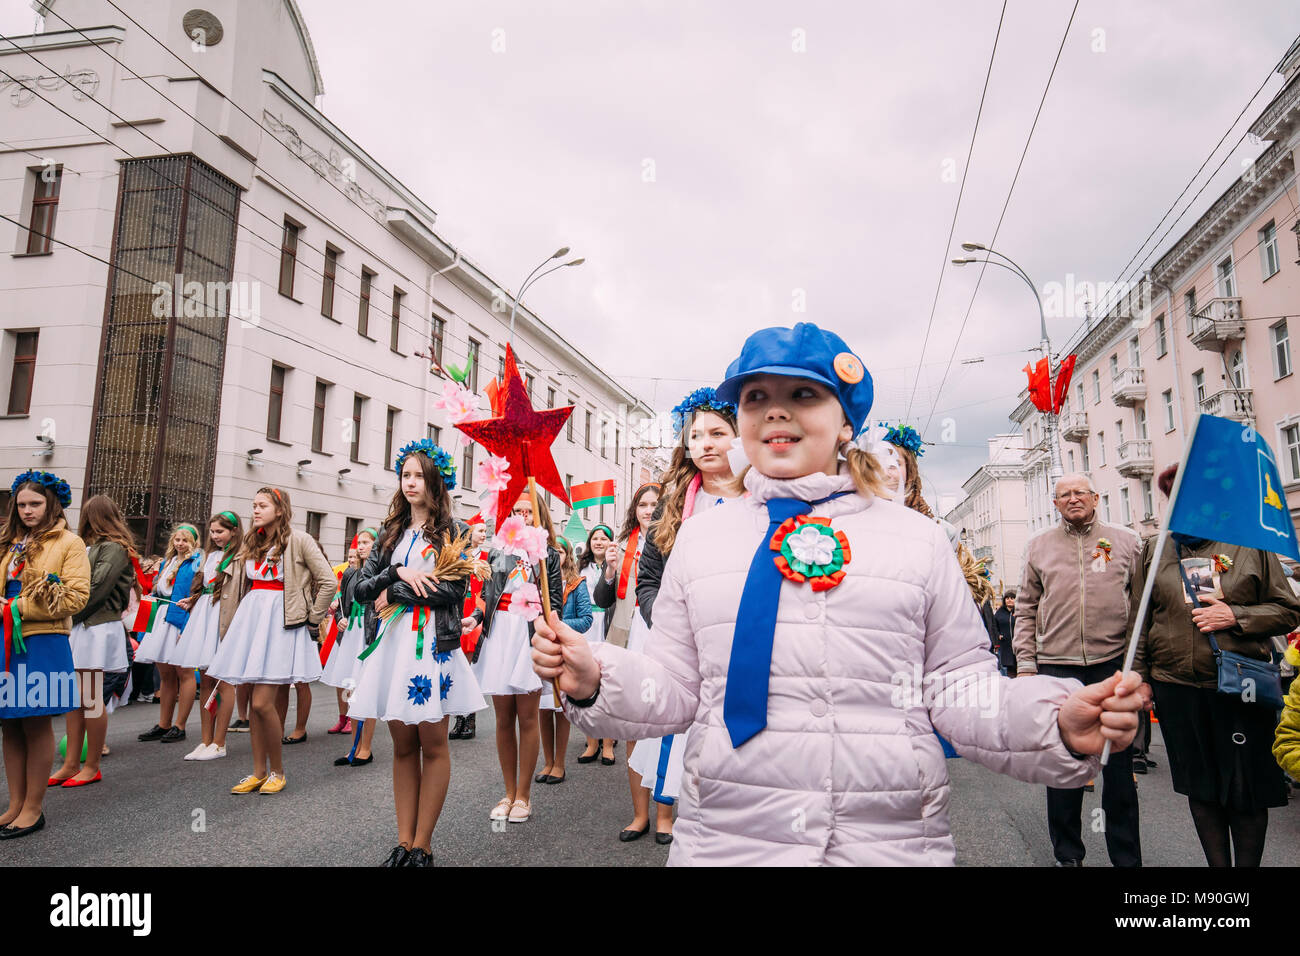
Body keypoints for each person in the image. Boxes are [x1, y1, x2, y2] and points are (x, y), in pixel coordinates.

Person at [532, 322, 1143, 865]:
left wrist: (1054, 722)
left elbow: (961, 689)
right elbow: (671, 688)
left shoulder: (917, 540)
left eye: (802, 394)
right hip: (728, 841)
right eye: (755, 398)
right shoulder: (701, 541)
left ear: (847, 419)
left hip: (888, 842)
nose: (776, 412)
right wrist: (594, 676)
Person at [1131, 463, 1300, 867]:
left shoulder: (1249, 544)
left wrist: (1236, 617)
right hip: (1176, 687)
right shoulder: (1155, 550)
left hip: (1239, 685)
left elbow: (1287, 609)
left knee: (1245, 790)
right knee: (1200, 790)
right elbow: (1139, 618)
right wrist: (1139, 678)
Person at [348, 439, 486, 866]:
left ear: (436, 480)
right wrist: (396, 571)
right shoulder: (389, 532)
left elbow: (451, 590)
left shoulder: (456, 532)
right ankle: (403, 842)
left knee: (434, 742)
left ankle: (424, 845)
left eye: (419, 475)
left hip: (434, 648)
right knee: (402, 745)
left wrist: (394, 591)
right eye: (405, 475)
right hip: (392, 645)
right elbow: (357, 589)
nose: (411, 483)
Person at [627, 386, 740, 844]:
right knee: (674, 740)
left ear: (741, 436)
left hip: (741, 650)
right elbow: (648, 582)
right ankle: (669, 820)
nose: (707, 443)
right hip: (681, 651)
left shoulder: (763, 502)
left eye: (719, 432)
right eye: (697, 435)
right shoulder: (671, 511)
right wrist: (671, 622)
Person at [1013, 472, 1142, 867]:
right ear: (1055, 504)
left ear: (1096, 498)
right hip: (1057, 668)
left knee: (1118, 771)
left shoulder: (1127, 542)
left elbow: (1138, 607)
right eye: (1064, 495)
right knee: (1063, 766)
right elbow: (1026, 608)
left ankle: (1127, 859)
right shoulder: (1038, 547)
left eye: (1079, 493)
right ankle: (1068, 855)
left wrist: (1136, 667)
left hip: (1112, 668)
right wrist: (1026, 665)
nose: (1072, 499)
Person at [206, 487, 337, 795]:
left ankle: (278, 771)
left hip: (282, 623)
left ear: (280, 509)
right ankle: (257, 772)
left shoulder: (300, 540)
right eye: (253, 505)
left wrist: (313, 618)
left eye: (262, 505)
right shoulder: (251, 541)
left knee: (264, 703)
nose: (255, 510)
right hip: (252, 622)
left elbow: (329, 581)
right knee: (252, 703)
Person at [0, 470, 90, 839]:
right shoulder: (10, 542)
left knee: (35, 723)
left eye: (34, 503)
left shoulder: (71, 542)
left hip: (42, 642)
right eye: (21, 504)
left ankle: (34, 809)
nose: (26, 510)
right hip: (5, 639)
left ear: (51, 503)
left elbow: (76, 597)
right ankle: (15, 804)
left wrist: (17, 608)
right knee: (8, 723)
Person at [470, 493, 563, 824]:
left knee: (528, 717)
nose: (523, 515)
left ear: (539, 515)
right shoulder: (497, 549)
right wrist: (477, 620)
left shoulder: (547, 553)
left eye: (529, 510)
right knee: (503, 718)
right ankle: (508, 792)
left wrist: (548, 633)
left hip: (528, 635)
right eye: (517, 510)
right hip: (500, 637)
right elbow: (487, 596)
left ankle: (524, 794)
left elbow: (556, 603)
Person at [592, 482, 662, 841]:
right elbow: (602, 600)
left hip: (663, 635)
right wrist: (608, 569)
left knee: (668, 725)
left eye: (655, 504)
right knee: (636, 726)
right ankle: (640, 814)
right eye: (643, 505)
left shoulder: (674, 541)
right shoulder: (621, 547)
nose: (649, 510)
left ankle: (665, 815)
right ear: (634, 510)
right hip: (626, 639)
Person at [50, 494, 136, 786]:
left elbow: (95, 588)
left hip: (97, 626)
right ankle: (72, 763)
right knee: (76, 701)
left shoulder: (113, 548)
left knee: (91, 700)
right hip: (82, 625)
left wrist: (63, 612)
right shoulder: (91, 547)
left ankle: (91, 765)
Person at [172, 511, 244, 761]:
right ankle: (205, 740)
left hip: (223, 616)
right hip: (204, 613)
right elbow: (204, 586)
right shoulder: (210, 555)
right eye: (212, 532)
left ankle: (220, 742)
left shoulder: (240, 557)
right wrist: (192, 600)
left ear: (234, 531)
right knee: (205, 678)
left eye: (220, 531)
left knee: (223, 679)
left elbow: (239, 592)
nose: (215, 536)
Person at [135, 524, 202, 744]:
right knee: (164, 673)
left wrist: (187, 627)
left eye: (185, 540)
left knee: (184, 673)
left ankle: (179, 725)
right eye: (177, 540)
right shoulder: (166, 562)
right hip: (161, 616)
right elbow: (157, 590)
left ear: (193, 542)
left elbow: (195, 596)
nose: (180, 544)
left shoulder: (196, 564)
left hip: (179, 617)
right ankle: (164, 723)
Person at [536, 535, 593, 785]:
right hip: (541, 649)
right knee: (542, 710)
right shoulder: (536, 581)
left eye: (560, 551)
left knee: (560, 709)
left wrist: (556, 626)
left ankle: (559, 763)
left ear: (567, 555)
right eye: (551, 550)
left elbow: (586, 619)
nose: (555, 555)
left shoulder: (575, 582)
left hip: (563, 651)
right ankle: (547, 761)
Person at [321, 528, 379, 767]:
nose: (361, 546)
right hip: (352, 632)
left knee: (366, 689)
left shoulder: (379, 572)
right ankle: (353, 746)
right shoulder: (349, 574)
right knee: (351, 688)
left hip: (369, 631)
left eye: (367, 542)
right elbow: (343, 605)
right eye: (360, 542)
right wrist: (339, 621)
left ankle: (366, 747)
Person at [575, 523, 615, 764]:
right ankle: (591, 742)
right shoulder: (581, 567)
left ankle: (608, 742)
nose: (599, 542)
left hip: (608, 625)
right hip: (586, 627)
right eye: (595, 538)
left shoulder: (615, 566)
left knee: (609, 685)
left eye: (603, 538)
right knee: (586, 684)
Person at [450, 515, 489, 741]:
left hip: (476, 611)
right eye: (479, 530)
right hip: (458, 609)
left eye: (485, 531)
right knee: (456, 667)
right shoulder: (457, 555)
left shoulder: (486, 557)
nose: (483, 535)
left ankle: (469, 718)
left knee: (469, 668)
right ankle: (459, 717)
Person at [993, 590, 1017, 678]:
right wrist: (998, 635)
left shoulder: (1019, 611)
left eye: (1012, 598)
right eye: (1007, 598)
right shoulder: (1000, 613)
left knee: (1016, 665)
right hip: (1004, 644)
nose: (1009, 600)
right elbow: (994, 625)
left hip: (1017, 643)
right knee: (1004, 666)